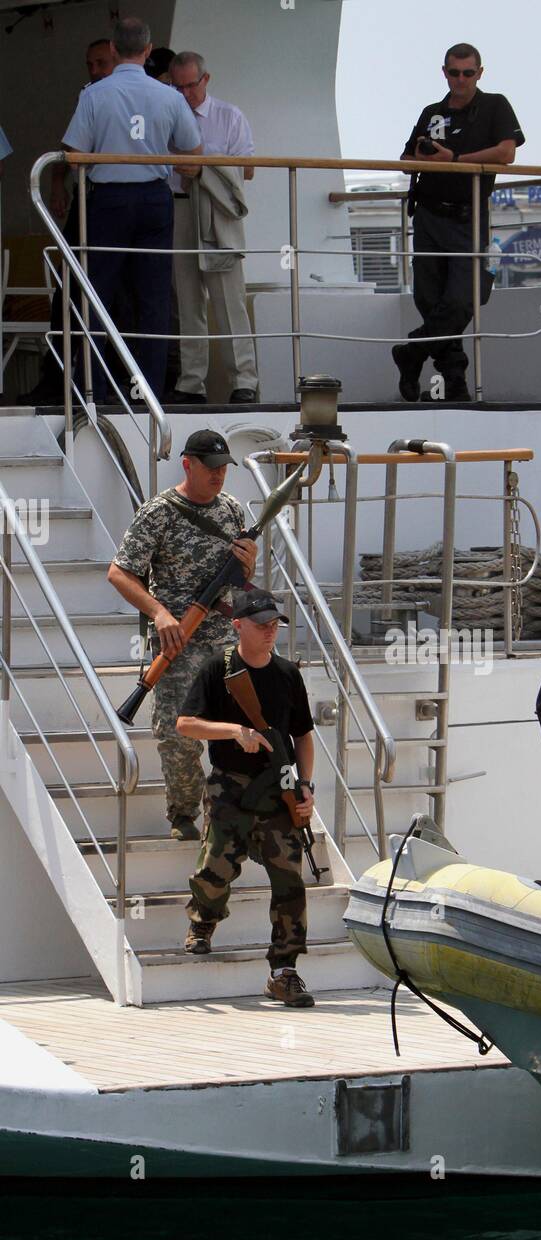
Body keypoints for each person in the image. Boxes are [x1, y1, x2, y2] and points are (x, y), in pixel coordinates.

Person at [107, 428, 257, 839]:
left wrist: (249, 564)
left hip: (224, 636)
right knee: (178, 731)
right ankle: (184, 813)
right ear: (188, 464)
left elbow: (241, 580)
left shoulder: (230, 510)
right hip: (178, 639)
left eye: (223, 469)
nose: (218, 476)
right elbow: (118, 572)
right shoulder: (160, 512)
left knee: (234, 728)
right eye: (210, 468)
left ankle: (228, 812)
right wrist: (159, 613)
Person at [177, 589, 316, 1008]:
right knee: (216, 867)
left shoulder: (288, 674)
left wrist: (306, 786)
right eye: (262, 625)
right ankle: (203, 921)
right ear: (238, 625)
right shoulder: (216, 670)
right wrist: (234, 732)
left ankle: (284, 971)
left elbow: (303, 735)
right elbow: (185, 724)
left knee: (290, 881)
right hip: (230, 786)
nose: (271, 631)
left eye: (276, 624)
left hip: (279, 788)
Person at [61, 17, 202, 401]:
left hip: (108, 201)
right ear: (148, 49)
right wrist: (159, 156)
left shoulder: (94, 94)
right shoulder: (169, 96)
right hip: (155, 200)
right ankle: (149, 390)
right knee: (154, 300)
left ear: (111, 49)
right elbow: (193, 156)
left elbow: (73, 156)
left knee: (98, 294)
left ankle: (96, 389)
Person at [393, 43, 524, 403]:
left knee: (462, 301)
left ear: (480, 73)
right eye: (454, 73)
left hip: (469, 217)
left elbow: (507, 152)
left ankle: (413, 352)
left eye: (468, 73)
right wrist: (423, 158)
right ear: (445, 72)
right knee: (430, 300)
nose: (461, 80)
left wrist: (456, 159)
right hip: (430, 216)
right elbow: (406, 161)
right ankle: (455, 382)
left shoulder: (495, 105)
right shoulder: (431, 113)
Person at [19, 40, 116, 408]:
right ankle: (56, 377)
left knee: (113, 294)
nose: (93, 69)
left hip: (114, 203)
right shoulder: (88, 95)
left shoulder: (123, 95)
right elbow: (71, 146)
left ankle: (108, 381)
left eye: (101, 62)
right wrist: (58, 182)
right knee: (68, 289)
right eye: (89, 63)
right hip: (86, 200)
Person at [165, 50, 258, 406]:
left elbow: (247, 169)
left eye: (191, 85)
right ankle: (191, 383)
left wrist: (203, 169)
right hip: (180, 209)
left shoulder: (229, 115)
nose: (186, 93)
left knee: (228, 299)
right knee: (188, 300)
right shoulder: (167, 115)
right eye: (179, 87)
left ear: (206, 79)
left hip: (217, 211)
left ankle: (244, 381)